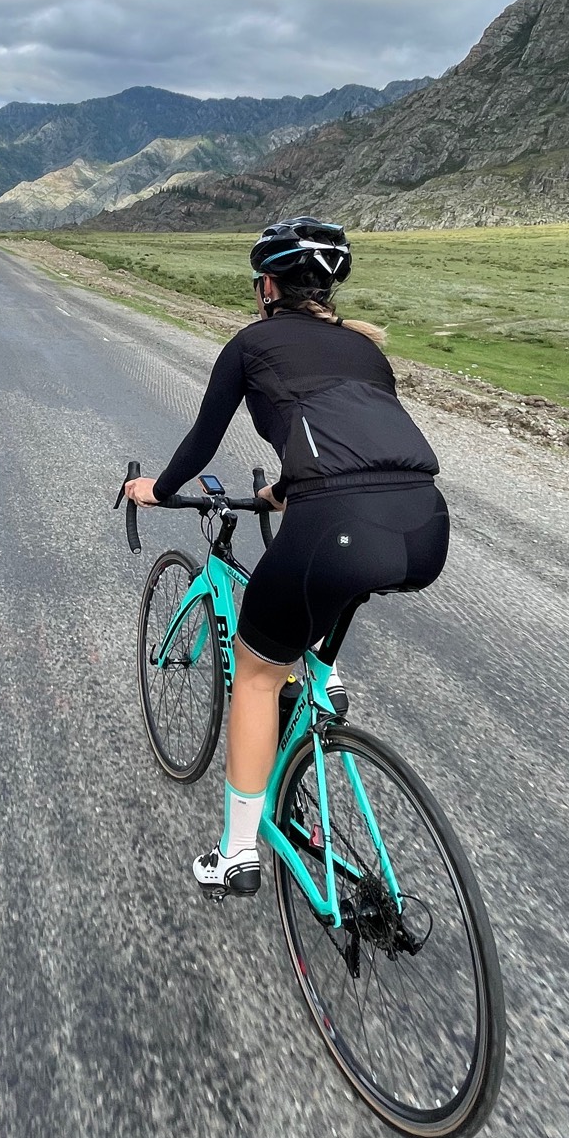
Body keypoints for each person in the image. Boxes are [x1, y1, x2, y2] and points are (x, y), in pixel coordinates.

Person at [125, 217, 449, 897]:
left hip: (338, 523)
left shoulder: (252, 343)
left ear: (267, 286)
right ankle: (321, 683)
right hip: (424, 524)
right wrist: (277, 494)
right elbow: (355, 448)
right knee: (316, 601)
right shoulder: (368, 354)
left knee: (255, 671)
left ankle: (237, 852)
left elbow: (201, 440)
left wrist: (157, 490)